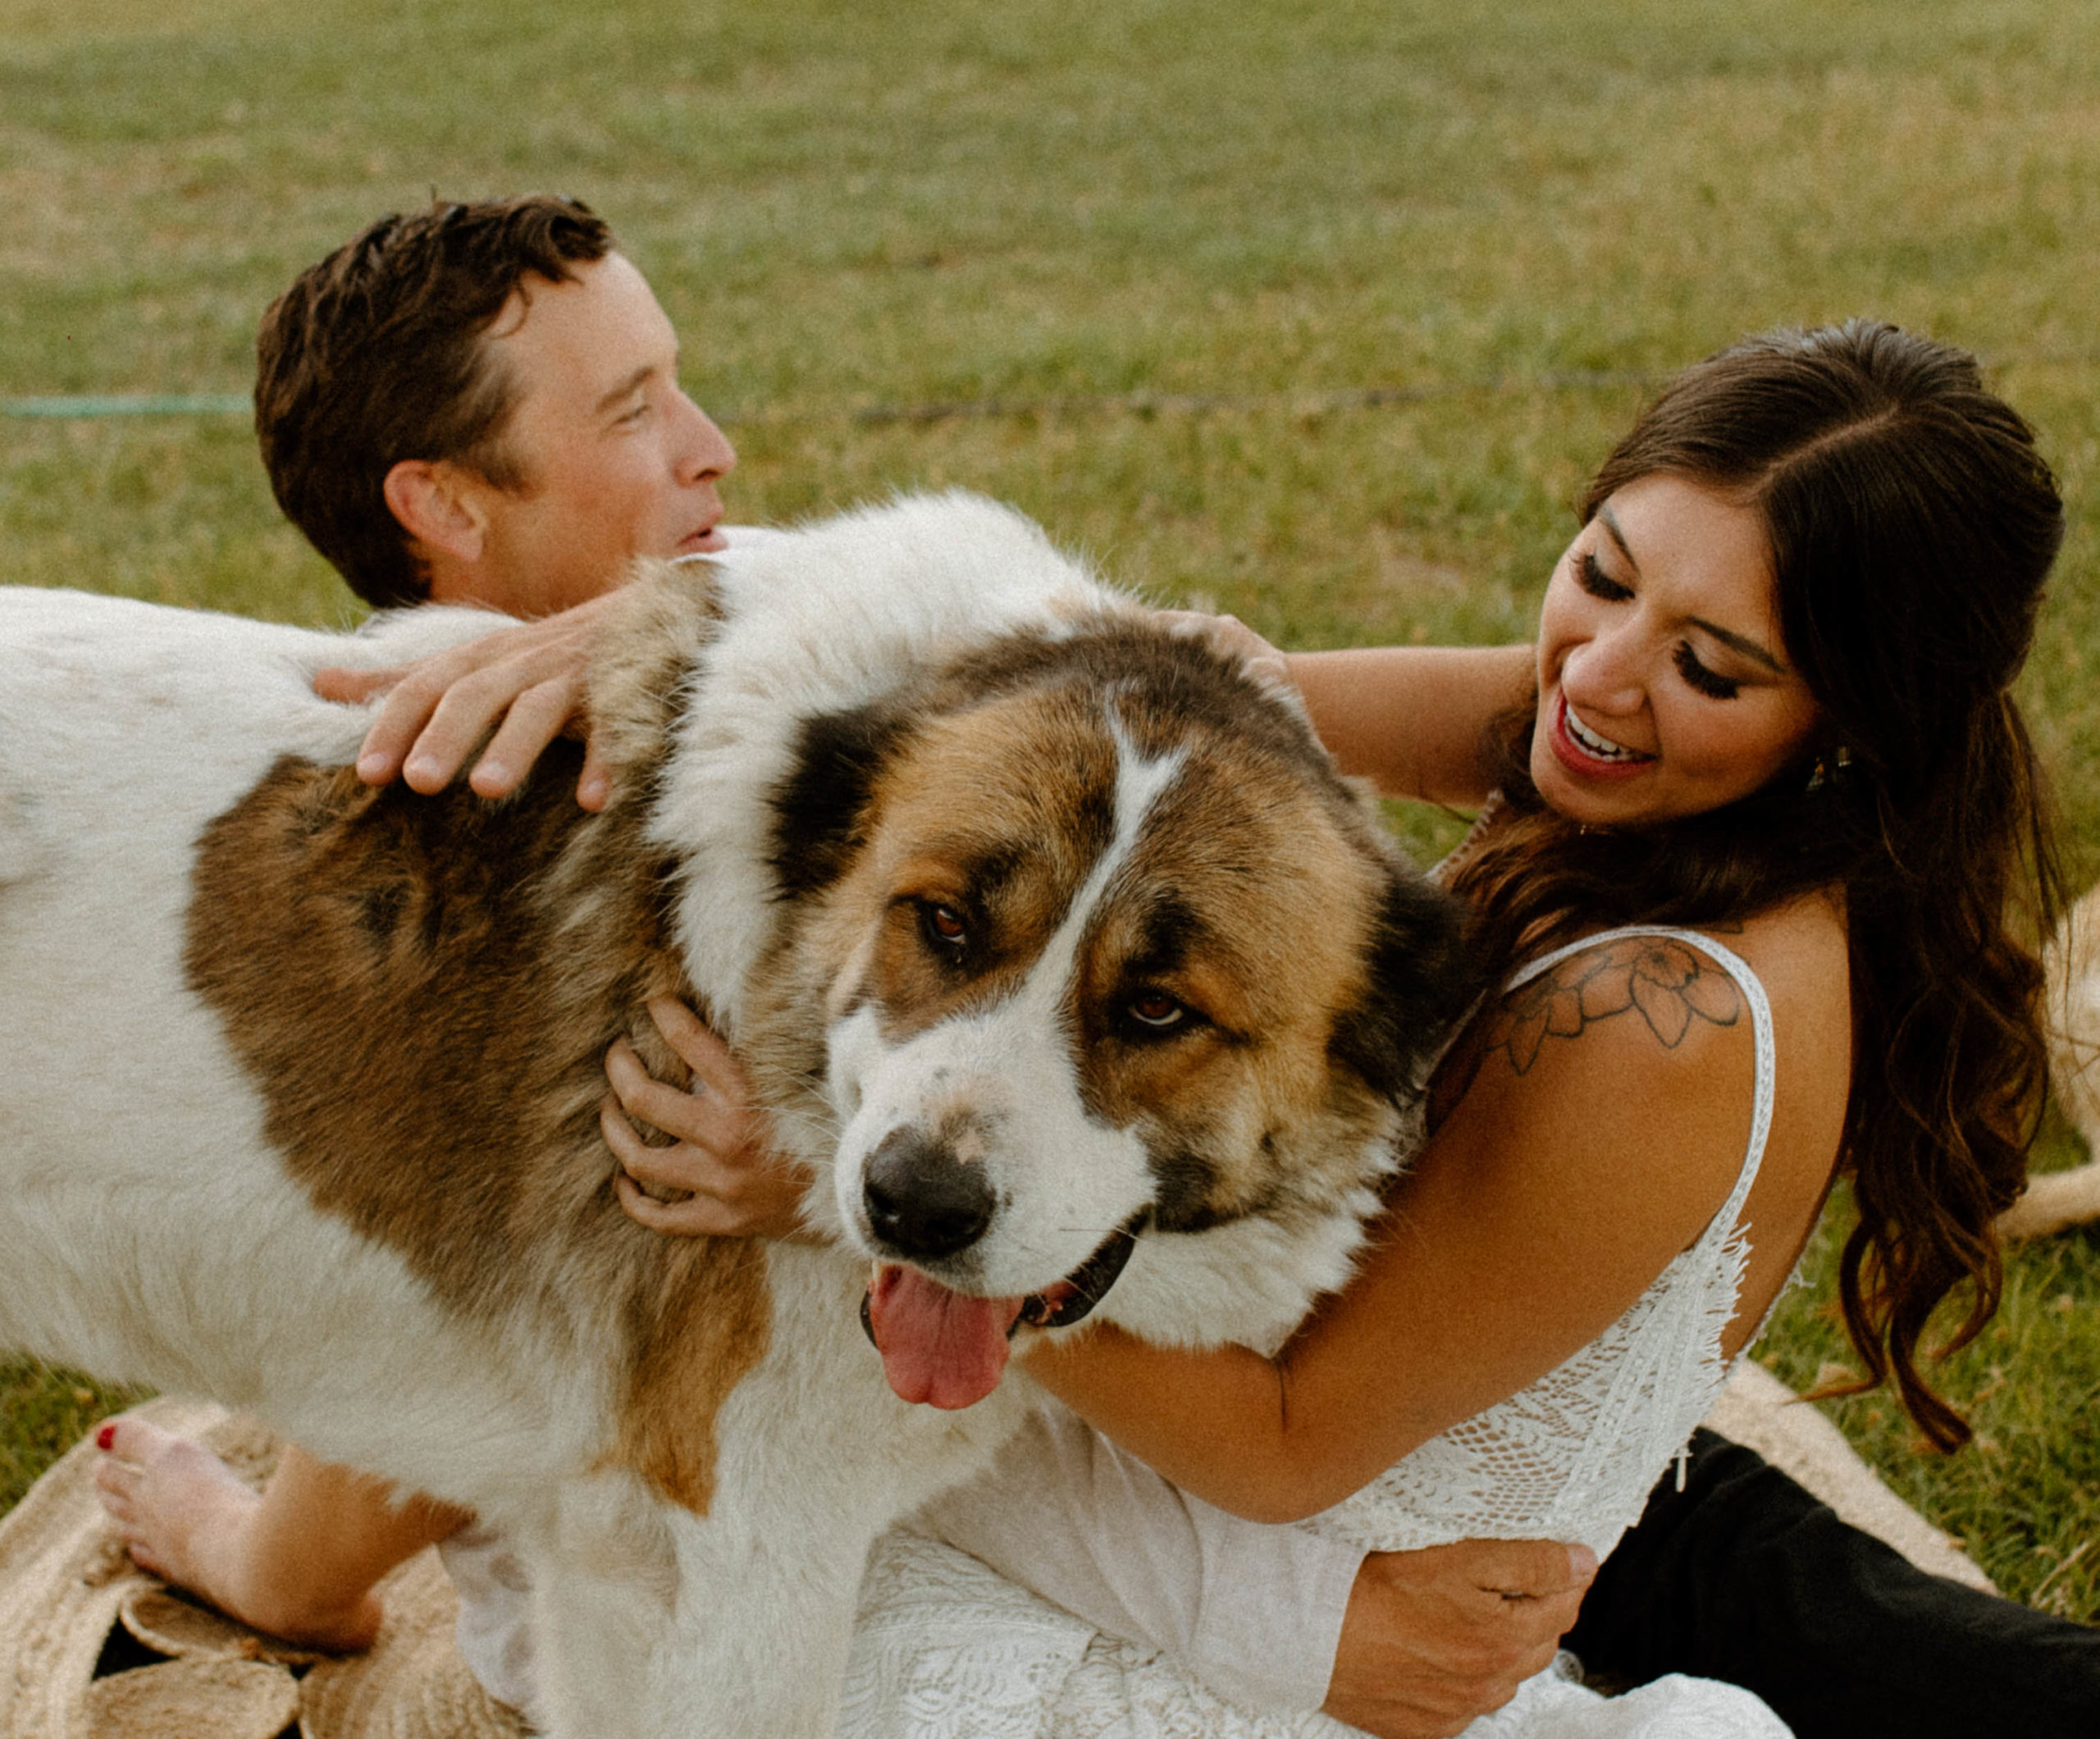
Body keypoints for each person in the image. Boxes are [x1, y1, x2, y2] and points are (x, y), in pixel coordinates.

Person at [87, 221, 2095, 1734]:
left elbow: (1297, 1437)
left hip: (1313, 1506)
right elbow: (1142, 674)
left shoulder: (1649, 1019)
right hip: (1452, 1423)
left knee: (687, 1330)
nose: (1592, 673)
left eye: (1707, 661)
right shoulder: (1606, 739)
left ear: (1846, 722)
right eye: (1598, 569)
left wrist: (809, 1185)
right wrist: (701, 610)